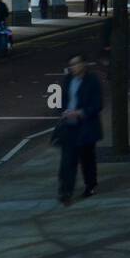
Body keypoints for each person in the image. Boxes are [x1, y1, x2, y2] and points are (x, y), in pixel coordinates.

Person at [57, 54, 102, 205]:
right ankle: (66, 192)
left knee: (87, 159)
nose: (73, 67)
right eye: (71, 64)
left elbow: (98, 104)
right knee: (67, 161)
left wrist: (81, 112)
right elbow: (63, 100)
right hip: (69, 126)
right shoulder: (68, 80)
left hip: (86, 126)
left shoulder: (92, 81)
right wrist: (63, 111)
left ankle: (90, 186)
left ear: (83, 64)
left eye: (75, 64)